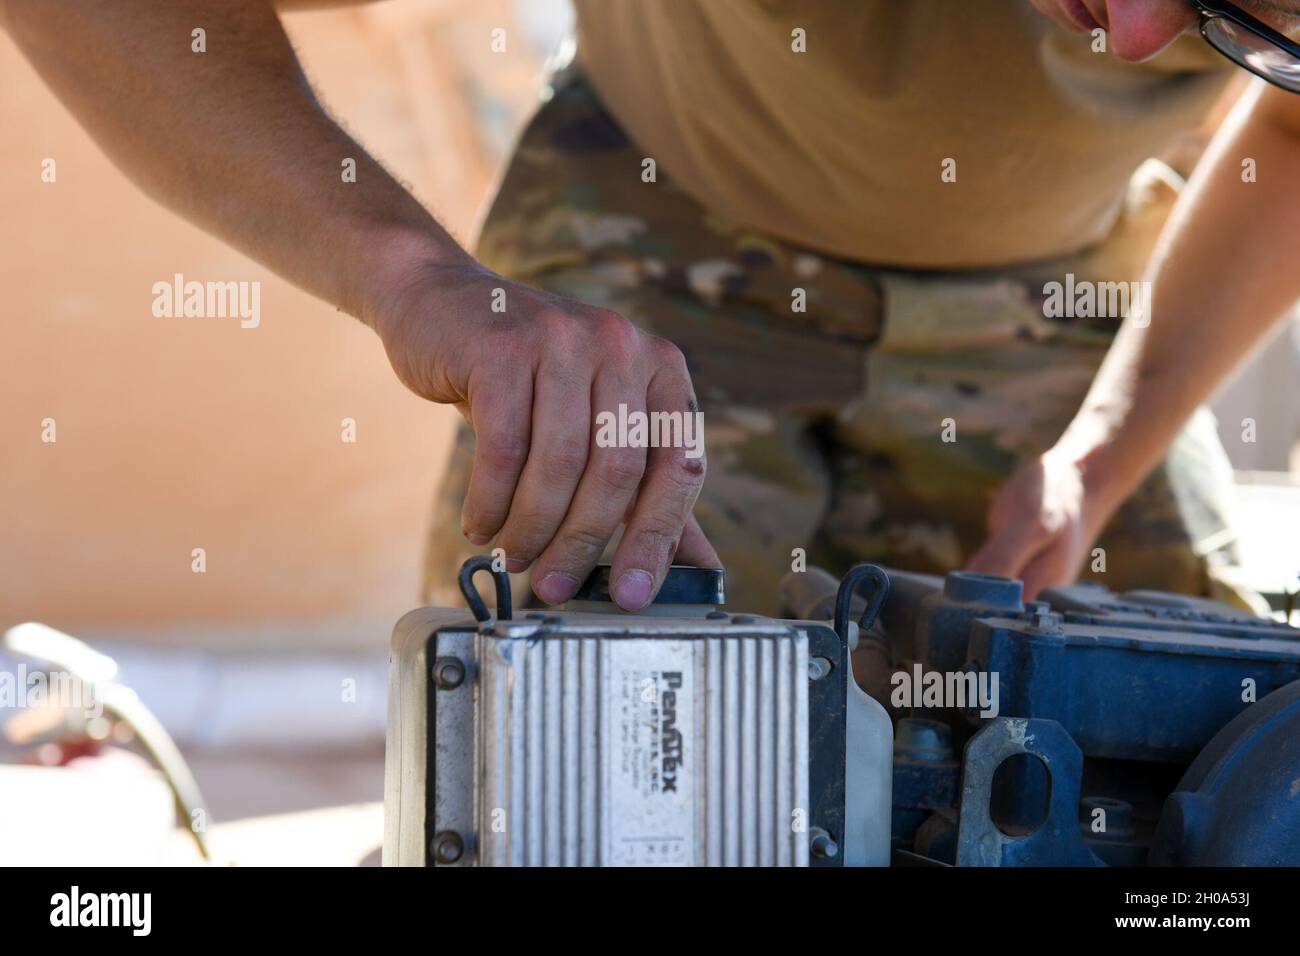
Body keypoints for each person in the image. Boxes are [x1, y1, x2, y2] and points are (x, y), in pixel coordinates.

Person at [5, 0, 1298, 617]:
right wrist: (417, 279)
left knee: (1209, 776)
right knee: (576, 751)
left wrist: (1105, 448)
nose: (1133, 39)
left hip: (1083, 279)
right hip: (660, 232)